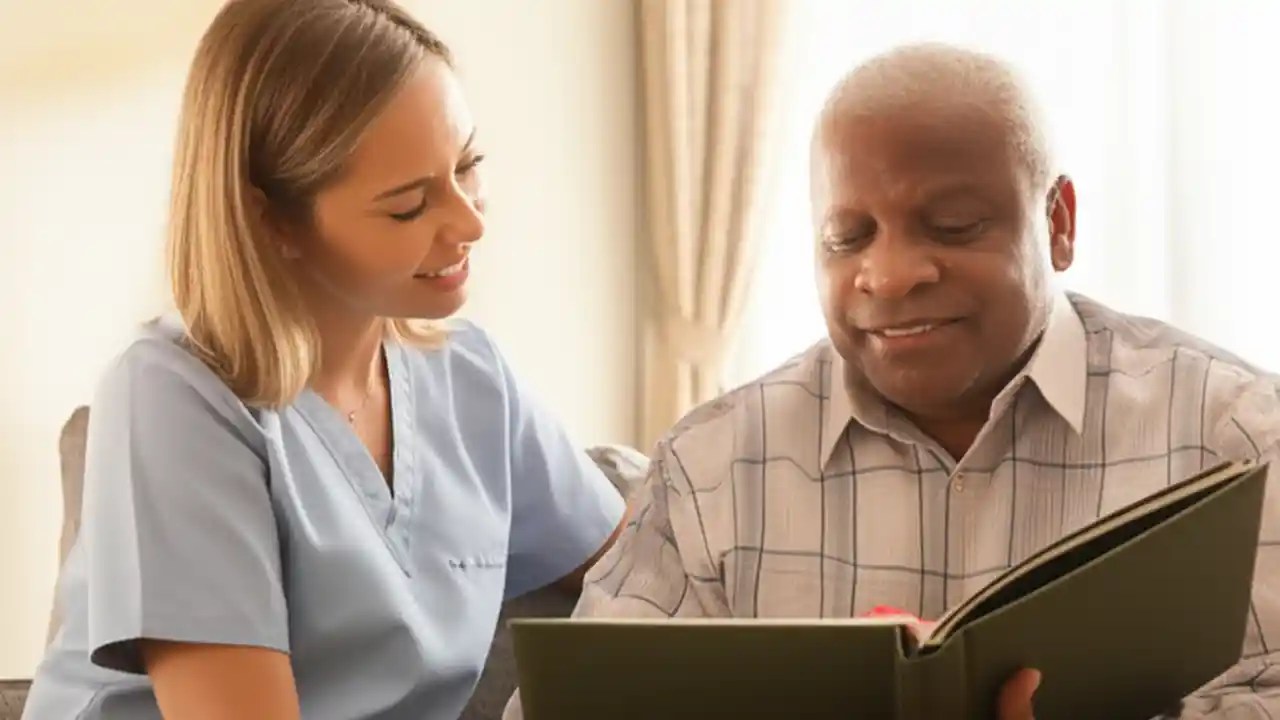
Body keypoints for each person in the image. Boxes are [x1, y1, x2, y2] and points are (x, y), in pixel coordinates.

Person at [505, 43, 1280, 719]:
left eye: (953, 227)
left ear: (1060, 222)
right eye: (849, 237)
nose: (892, 274)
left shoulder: (1237, 437)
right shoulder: (713, 470)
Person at [21, 1, 626, 718]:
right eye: (408, 206)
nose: (471, 223)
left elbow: (666, 574)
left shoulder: (473, 380)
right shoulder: (171, 398)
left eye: (469, 165)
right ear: (269, 220)